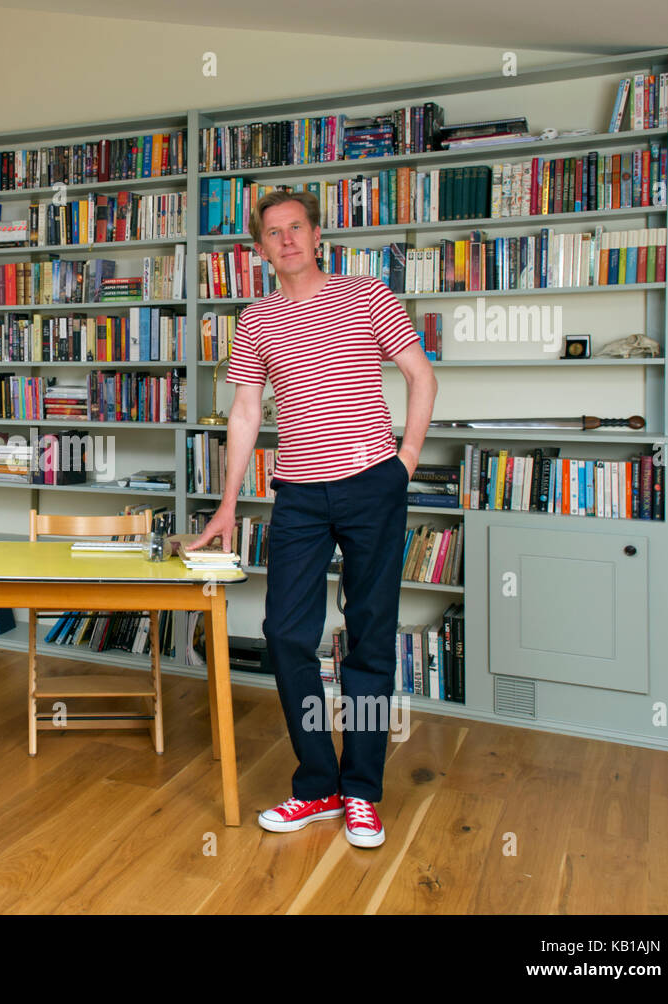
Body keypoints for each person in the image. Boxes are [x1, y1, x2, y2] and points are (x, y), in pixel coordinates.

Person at [187, 190, 437, 848]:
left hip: (371, 485)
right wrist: (230, 501)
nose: (287, 240)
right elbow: (246, 411)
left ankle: (361, 793)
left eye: (296, 227)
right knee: (285, 633)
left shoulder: (367, 295)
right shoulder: (257, 318)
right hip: (297, 491)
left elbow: (419, 374)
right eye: (273, 233)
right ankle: (318, 784)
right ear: (261, 248)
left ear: (317, 235)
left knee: (369, 636)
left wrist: (404, 459)